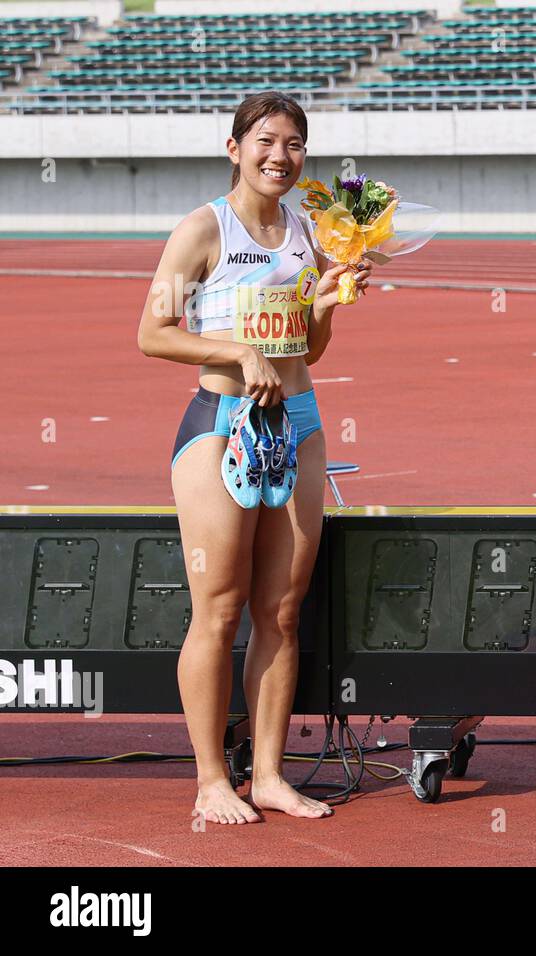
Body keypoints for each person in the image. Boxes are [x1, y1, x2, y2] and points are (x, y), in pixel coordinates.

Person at [137, 90, 373, 824]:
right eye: (266, 141)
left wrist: (329, 303)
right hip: (220, 426)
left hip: (297, 423)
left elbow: (305, 348)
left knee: (281, 609)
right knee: (218, 608)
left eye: (295, 144)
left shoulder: (309, 234)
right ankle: (212, 779)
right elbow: (154, 331)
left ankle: (269, 775)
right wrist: (235, 351)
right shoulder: (203, 231)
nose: (280, 155)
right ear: (234, 147)